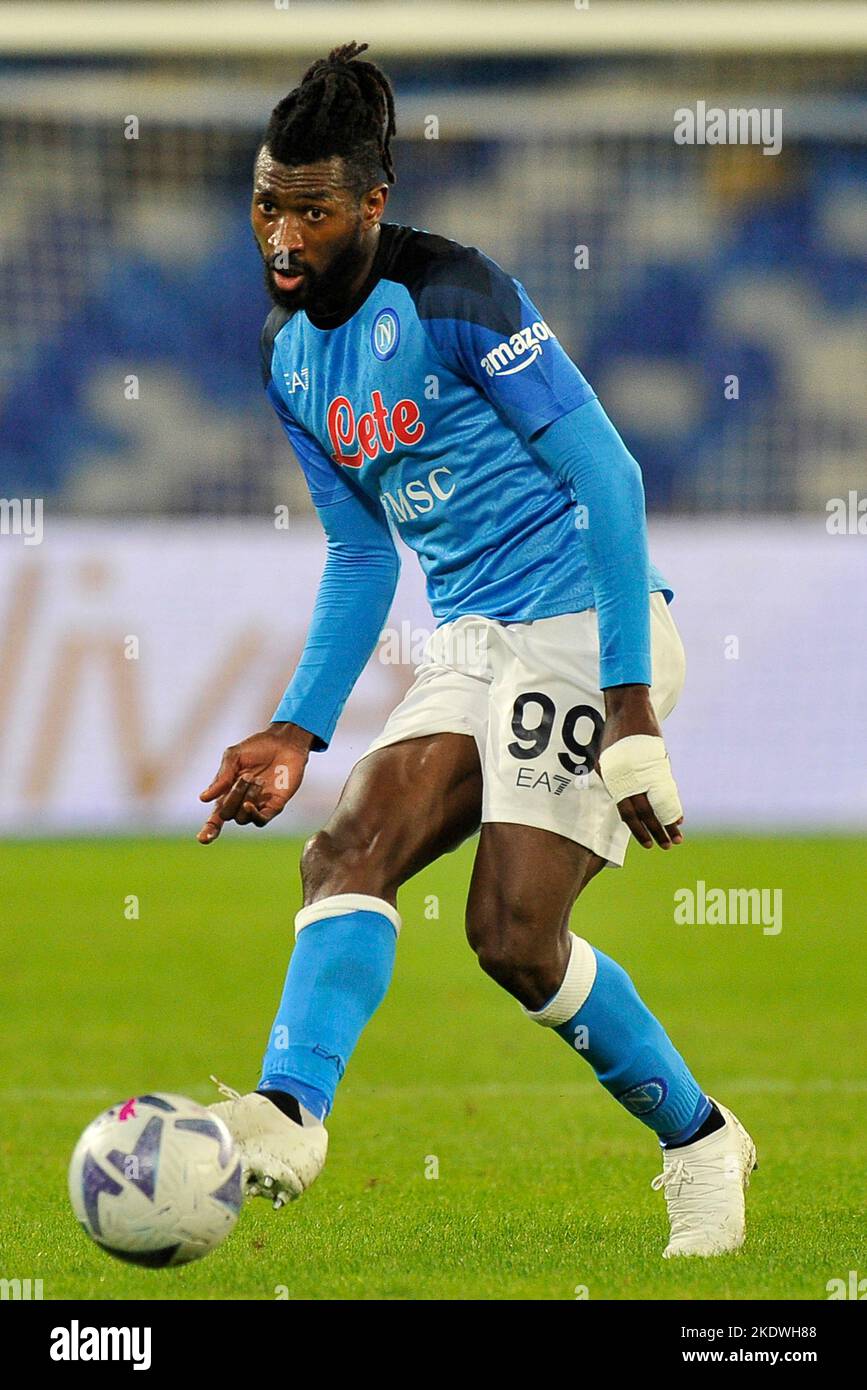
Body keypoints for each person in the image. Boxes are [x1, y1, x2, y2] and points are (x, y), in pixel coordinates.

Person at [201, 42, 756, 1259]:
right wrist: (297, 728)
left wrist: (629, 704)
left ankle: (703, 1140)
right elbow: (360, 556)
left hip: (583, 622)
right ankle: (291, 1110)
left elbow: (608, 473)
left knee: (511, 934)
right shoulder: (287, 356)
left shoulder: (455, 293)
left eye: (314, 208)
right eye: (266, 204)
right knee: (346, 848)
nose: (284, 237)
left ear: (373, 203)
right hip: (473, 640)